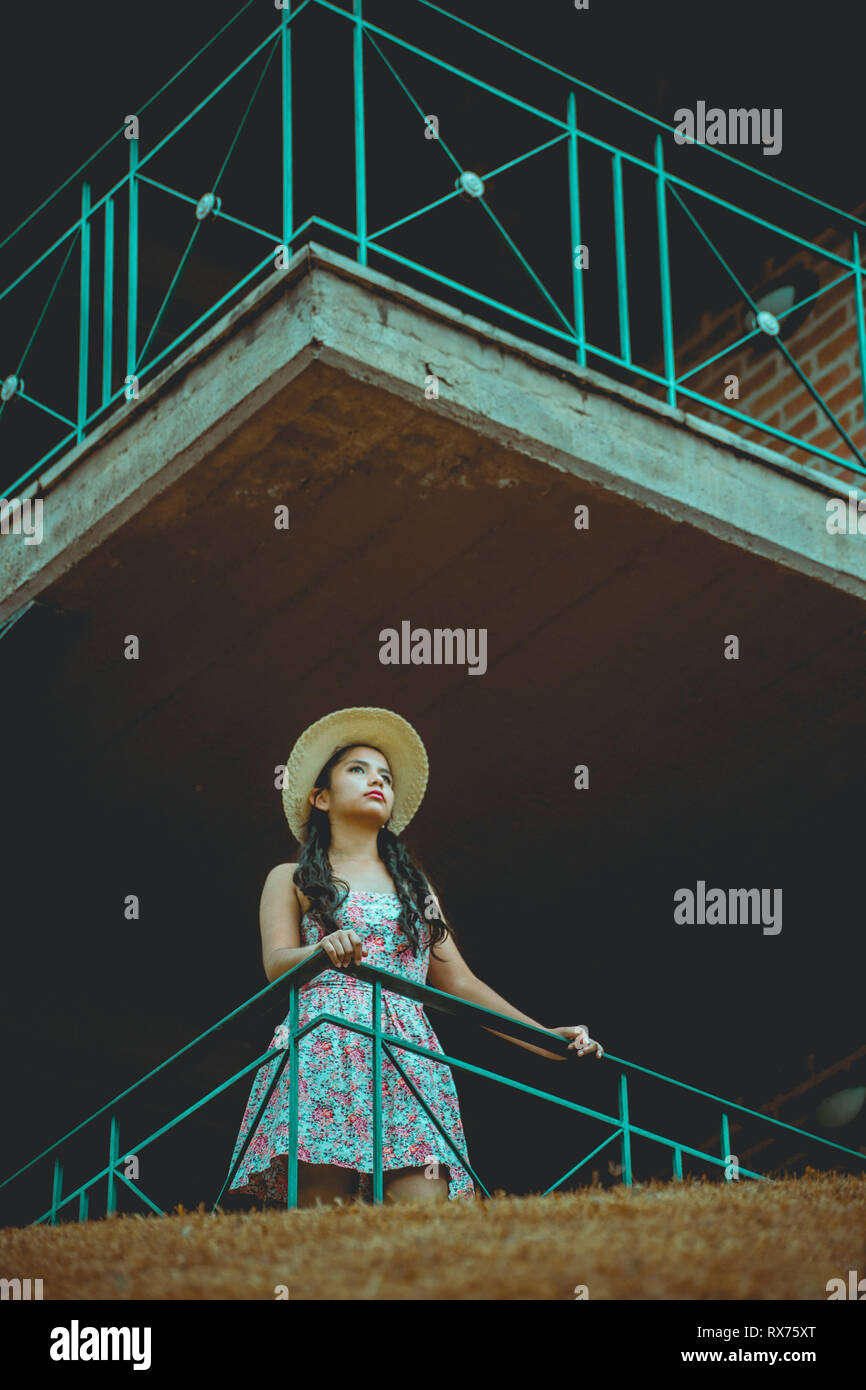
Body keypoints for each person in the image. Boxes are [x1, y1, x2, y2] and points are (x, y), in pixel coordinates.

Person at [225, 706, 603, 1210]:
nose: (376, 780)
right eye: (357, 770)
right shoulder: (288, 877)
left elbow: (461, 984)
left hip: (409, 1052)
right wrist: (319, 952)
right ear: (320, 797)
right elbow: (275, 965)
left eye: (384, 775)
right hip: (323, 1044)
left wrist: (543, 1040)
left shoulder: (414, 885)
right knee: (323, 1220)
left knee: (425, 1214)